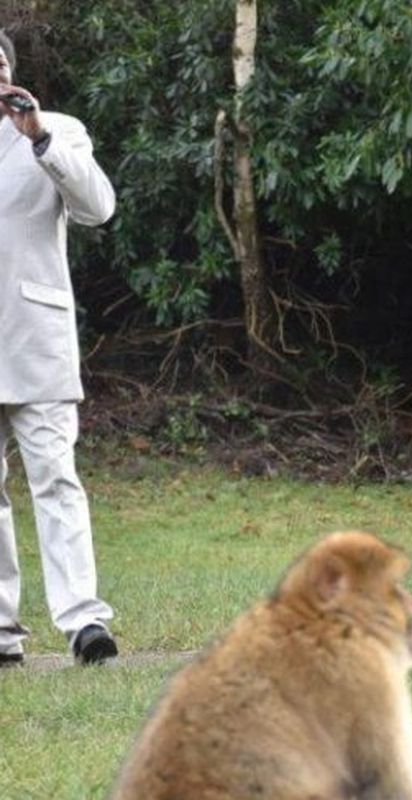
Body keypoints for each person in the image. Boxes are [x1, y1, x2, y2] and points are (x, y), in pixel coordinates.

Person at [0, 29, 118, 666]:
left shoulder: (59, 130)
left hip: (36, 339)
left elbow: (98, 208)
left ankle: (83, 623)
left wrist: (38, 138)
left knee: (56, 480)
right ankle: (1, 631)